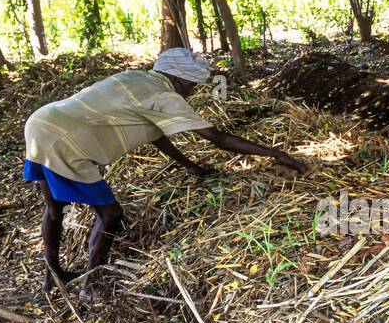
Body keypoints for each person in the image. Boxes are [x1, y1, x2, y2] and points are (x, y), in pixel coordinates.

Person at [23, 48, 307, 297]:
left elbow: (154, 133)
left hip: (41, 122)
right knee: (110, 215)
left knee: (54, 209)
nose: (194, 92)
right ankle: (89, 285)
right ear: (183, 80)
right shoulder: (166, 98)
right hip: (67, 141)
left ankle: (52, 275)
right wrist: (275, 153)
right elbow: (218, 139)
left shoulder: (134, 78)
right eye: (194, 86)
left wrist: (190, 166)